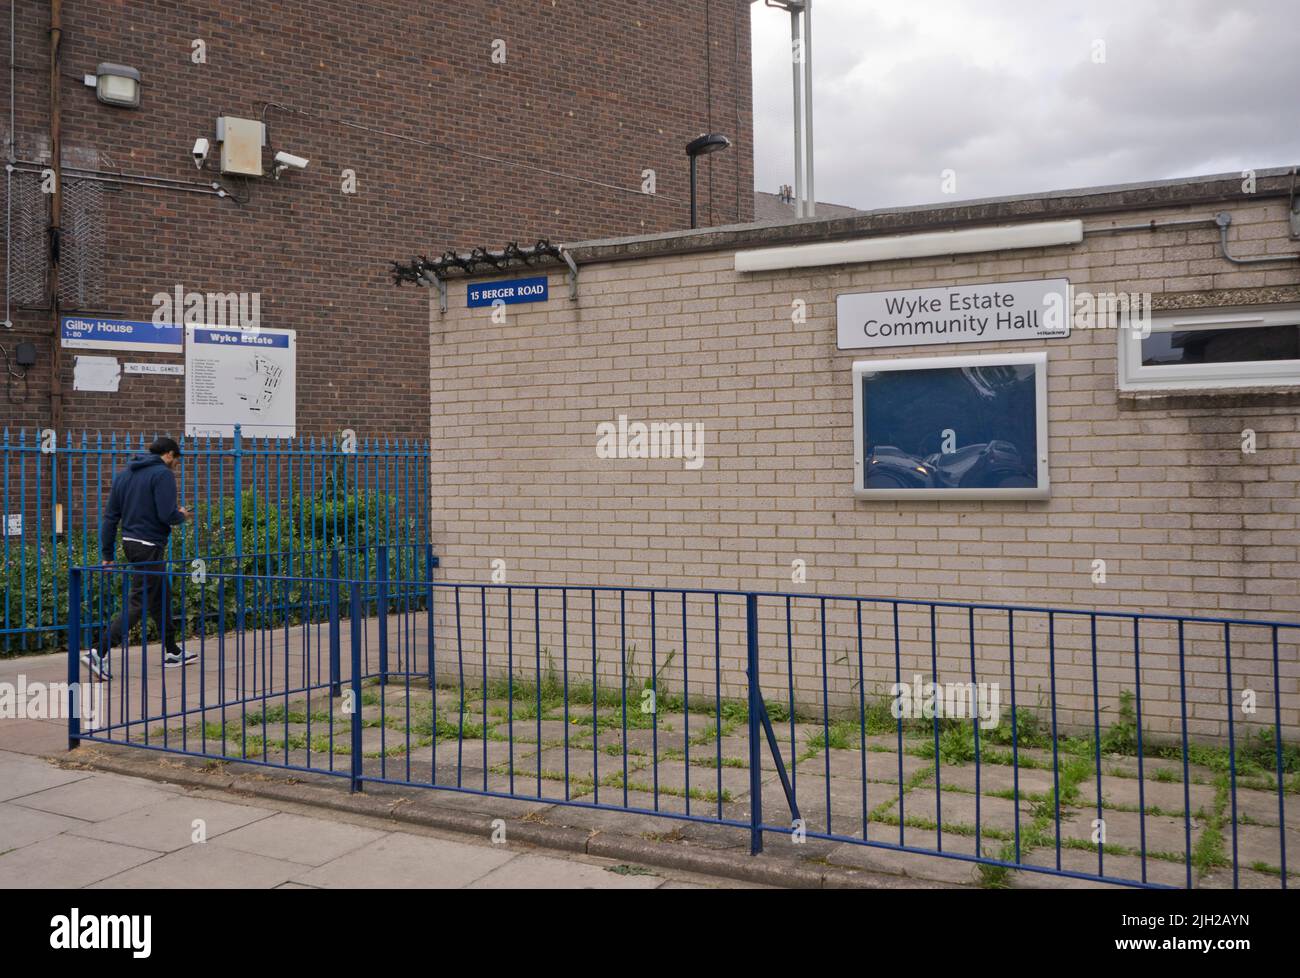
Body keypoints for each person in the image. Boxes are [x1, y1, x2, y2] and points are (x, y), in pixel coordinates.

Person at [82, 436, 198, 679]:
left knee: (160, 594)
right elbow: (166, 514)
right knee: (140, 600)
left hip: (131, 543)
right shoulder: (162, 474)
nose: (176, 464)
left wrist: (107, 554)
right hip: (150, 545)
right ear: (168, 454)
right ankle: (98, 652)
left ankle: (172, 650)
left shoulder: (124, 476)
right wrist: (182, 515)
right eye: (177, 459)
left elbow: (110, 518)